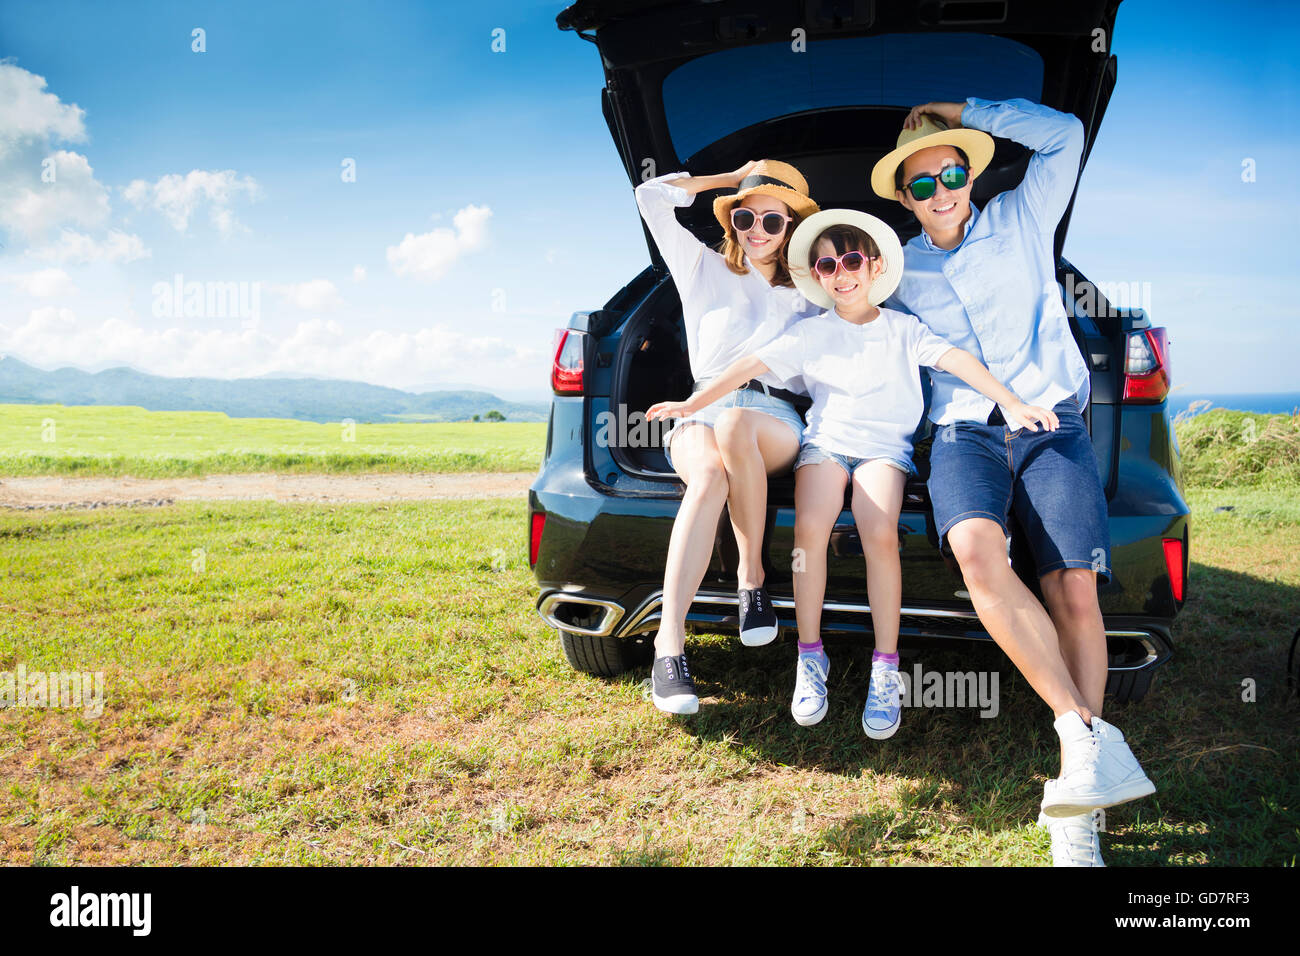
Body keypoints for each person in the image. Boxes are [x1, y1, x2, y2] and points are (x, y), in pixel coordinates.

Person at [873, 98, 1155, 866]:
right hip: (965, 432)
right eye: (922, 183)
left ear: (971, 170)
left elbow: (1065, 133)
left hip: (1051, 423)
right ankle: (1079, 729)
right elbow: (834, 308)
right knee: (974, 548)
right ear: (902, 196)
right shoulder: (894, 269)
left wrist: (969, 109)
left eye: (952, 171)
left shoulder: (1023, 216)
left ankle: (1076, 804)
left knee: (1073, 587)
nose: (941, 191)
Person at [649, 210, 1059, 738]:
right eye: (826, 265)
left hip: (884, 451)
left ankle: (885, 666)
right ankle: (810, 656)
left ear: (874, 265)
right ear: (816, 276)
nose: (840, 273)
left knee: (879, 534)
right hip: (825, 445)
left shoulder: (904, 329)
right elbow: (747, 367)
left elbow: (957, 360)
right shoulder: (811, 331)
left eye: (850, 260)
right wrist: (694, 402)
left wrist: (1012, 402)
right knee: (809, 534)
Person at [634, 159, 821, 715]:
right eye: (745, 217)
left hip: (776, 419)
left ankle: (751, 574)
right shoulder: (701, 267)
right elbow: (650, 195)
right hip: (701, 411)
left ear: (792, 227)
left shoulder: (814, 287)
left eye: (772, 219)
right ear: (731, 221)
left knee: (739, 425)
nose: (757, 230)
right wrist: (732, 177)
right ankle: (670, 645)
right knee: (709, 474)